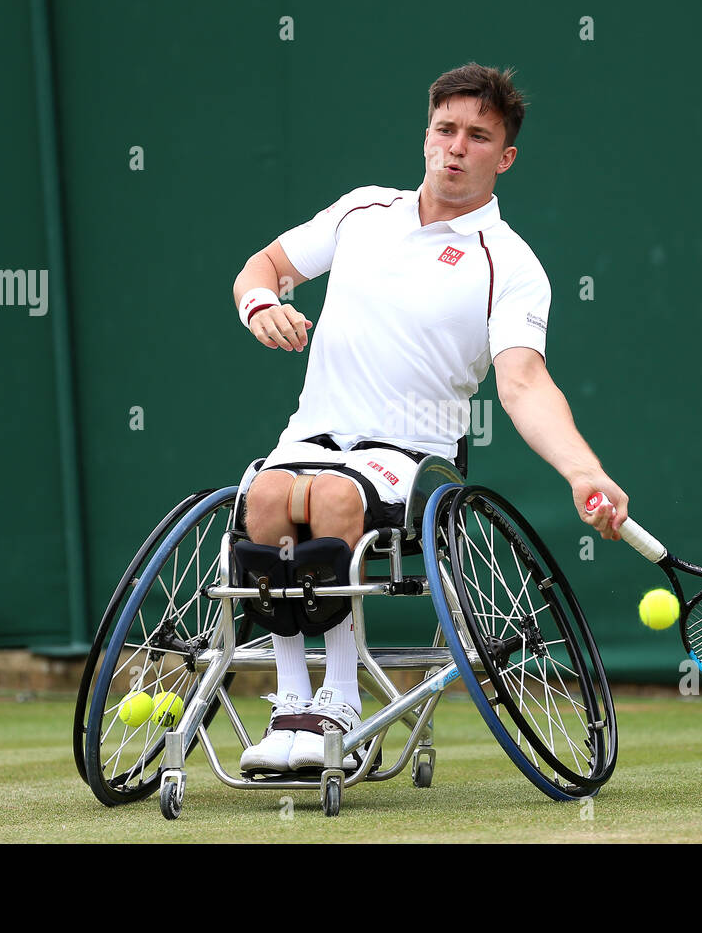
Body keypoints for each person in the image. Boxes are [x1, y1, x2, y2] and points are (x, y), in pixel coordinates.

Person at [230, 62, 629, 772]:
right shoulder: (360, 213)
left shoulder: (510, 264)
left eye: (477, 137)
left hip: (408, 456)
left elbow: (525, 383)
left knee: (328, 496)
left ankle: (340, 701)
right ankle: (292, 701)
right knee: (262, 499)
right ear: (425, 137)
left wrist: (583, 469)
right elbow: (263, 264)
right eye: (445, 130)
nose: (455, 147)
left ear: (503, 158)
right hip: (309, 434)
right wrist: (262, 305)